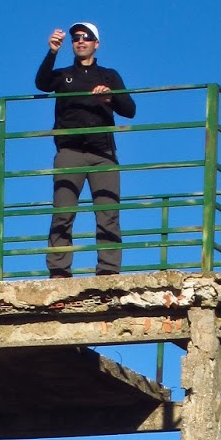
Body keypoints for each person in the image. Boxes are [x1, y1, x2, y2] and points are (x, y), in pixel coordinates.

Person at [34, 23, 136, 277]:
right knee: (63, 213)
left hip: (103, 154)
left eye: (86, 37)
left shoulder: (109, 75)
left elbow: (130, 109)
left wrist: (110, 97)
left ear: (96, 43)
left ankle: (108, 272)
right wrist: (52, 52)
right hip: (70, 152)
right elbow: (42, 83)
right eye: (76, 38)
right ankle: (58, 271)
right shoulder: (64, 75)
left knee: (108, 214)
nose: (80, 41)